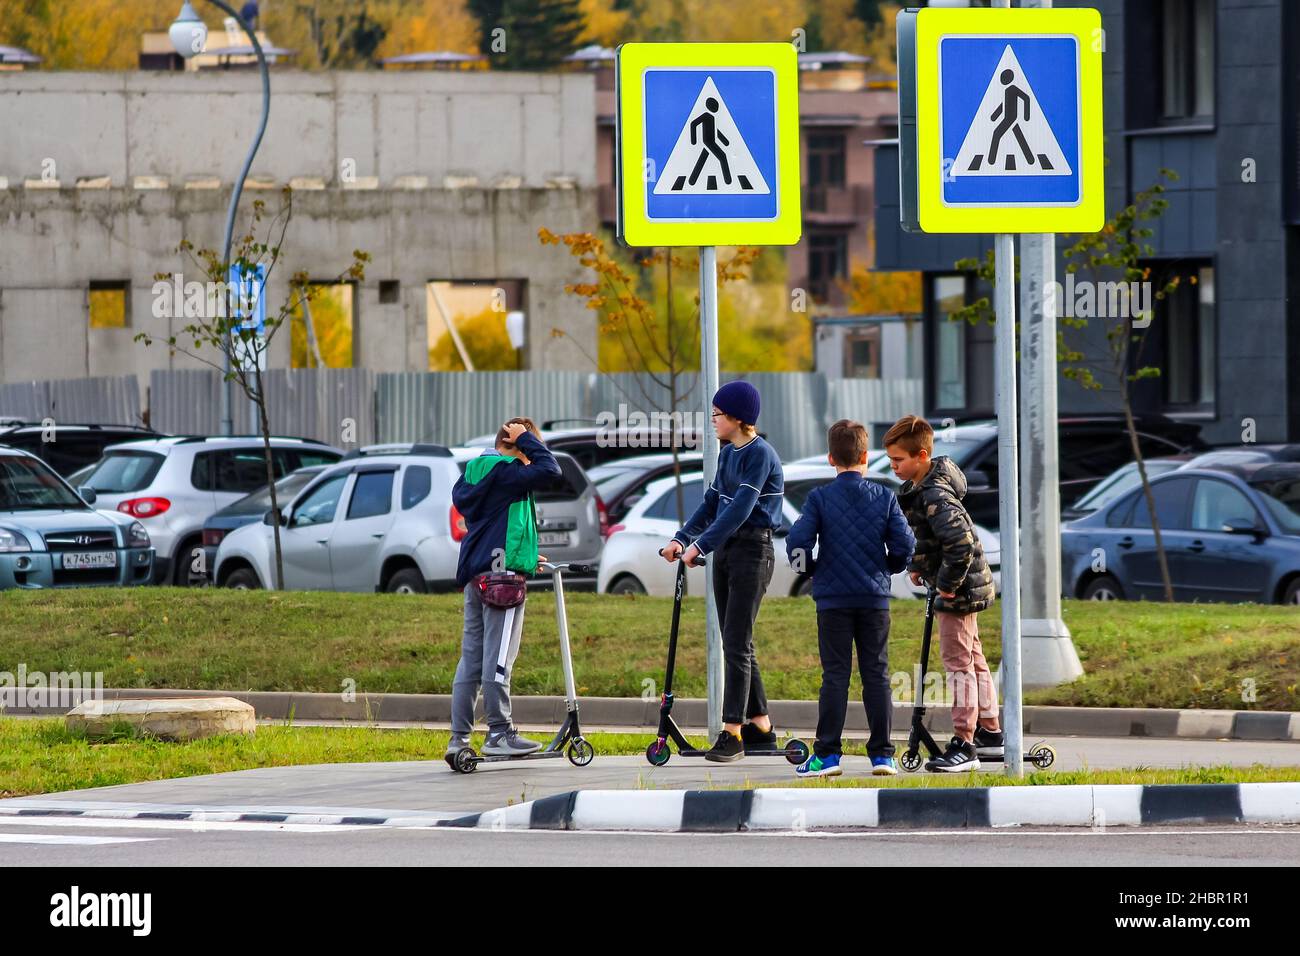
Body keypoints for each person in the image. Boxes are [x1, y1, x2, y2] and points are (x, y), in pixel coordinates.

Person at [661, 381, 783, 762]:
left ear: (737, 418)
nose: (712, 420)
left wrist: (701, 546)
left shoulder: (760, 454)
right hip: (728, 550)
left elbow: (741, 508)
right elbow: (713, 503)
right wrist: (682, 538)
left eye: (716, 414)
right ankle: (761, 726)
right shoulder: (728, 454)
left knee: (736, 639)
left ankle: (732, 732)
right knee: (736, 640)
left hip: (753, 550)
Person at [785, 419, 914, 777]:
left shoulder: (819, 499)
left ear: (830, 458)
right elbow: (905, 545)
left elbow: (797, 543)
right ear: (865, 456)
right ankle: (883, 756)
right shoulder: (885, 496)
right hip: (874, 599)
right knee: (877, 674)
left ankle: (827, 756)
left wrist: (810, 569)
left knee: (836, 675)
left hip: (832, 600)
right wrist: (888, 567)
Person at [884, 414, 1001, 772]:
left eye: (898, 461)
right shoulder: (925, 487)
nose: (893, 468)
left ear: (921, 456)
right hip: (962, 586)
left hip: (959, 591)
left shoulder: (935, 494)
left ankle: (965, 744)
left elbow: (961, 544)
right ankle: (991, 732)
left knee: (958, 665)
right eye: (890, 461)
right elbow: (930, 537)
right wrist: (920, 564)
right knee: (973, 657)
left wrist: (947, 586)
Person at [448, 418, 560, 758]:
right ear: (515, 445)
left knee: (471, 658)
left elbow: (497, 525)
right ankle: (499, 732)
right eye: (525, 449)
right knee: (498, 658)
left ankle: (458, 740)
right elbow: (551, 470)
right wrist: (528, 440)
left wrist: (524, 557)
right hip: (502, 579)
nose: (528, 459)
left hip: (479, 573)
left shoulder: (473, 472)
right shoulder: (507, 471)